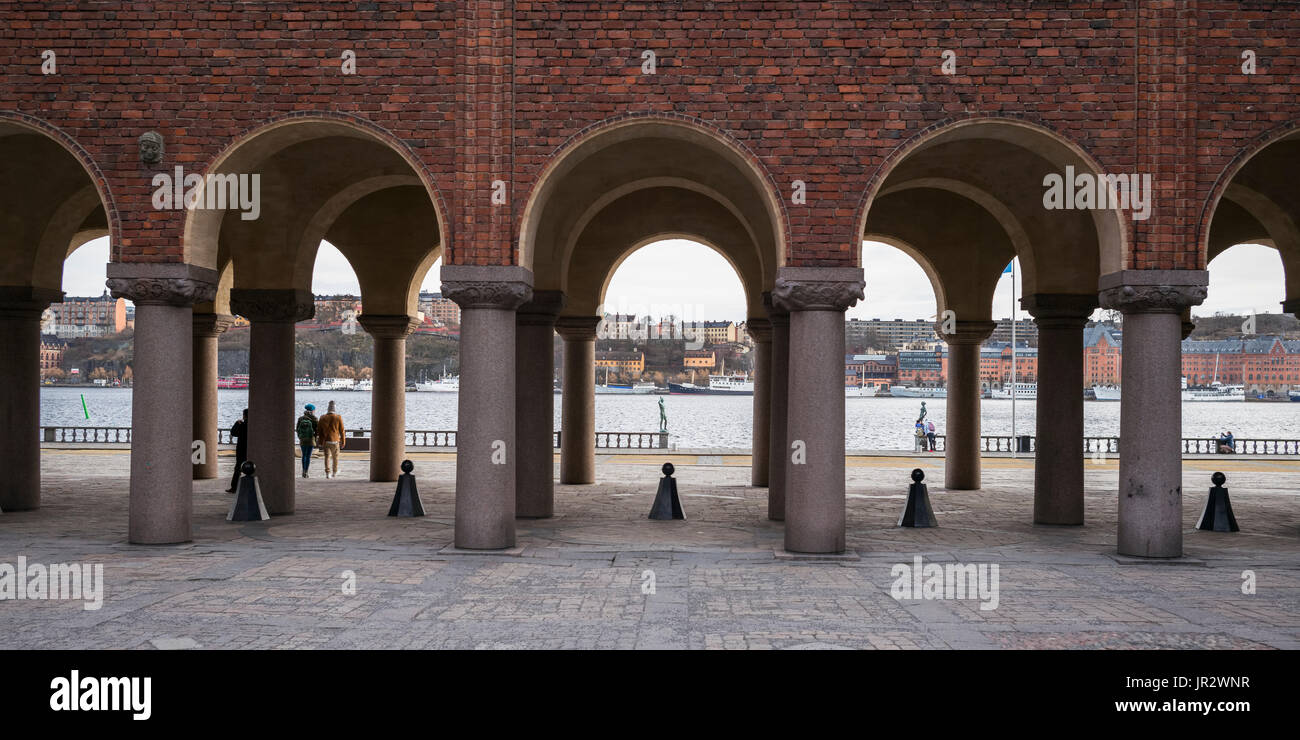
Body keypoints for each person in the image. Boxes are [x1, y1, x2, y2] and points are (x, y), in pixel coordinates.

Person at [316, 400, 346, 479]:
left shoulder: (322, 417)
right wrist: (343, 441)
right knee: (335, 457)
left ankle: (327, 473)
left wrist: (320, 441)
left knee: (327, 457)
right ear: (334, 409)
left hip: (326, 441)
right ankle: (334, 472)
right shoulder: (338, 417)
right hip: (335, 441)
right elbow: (342, 431)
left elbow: (319, 431)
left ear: (328, 409)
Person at [226, 408, 248, 493]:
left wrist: (236, 423)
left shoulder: (242, 424)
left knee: (238, 468)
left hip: (241, 450)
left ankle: (234, 487)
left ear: (244, 415)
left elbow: (233, 433)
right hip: (250, 449)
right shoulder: (254, 425)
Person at [296, 404, 319, 477]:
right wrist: (315, 437)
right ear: (312, 410)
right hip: (311, 440)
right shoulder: (314, 419)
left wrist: (300, 437)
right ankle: (306, 472)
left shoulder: (300, 418)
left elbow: (297, 429)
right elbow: (317, 430)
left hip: (302, 439)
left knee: (304, 455)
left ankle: (303, 471)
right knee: (308, 456)